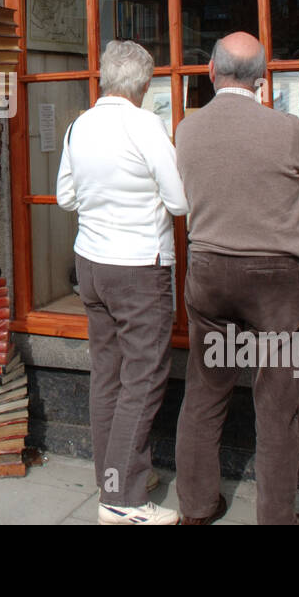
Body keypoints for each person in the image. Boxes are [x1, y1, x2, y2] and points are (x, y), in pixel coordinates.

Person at [173, 31, 299, 525]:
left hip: (210, 273)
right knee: (277, 405)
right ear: (262, 81)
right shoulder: (289, 129)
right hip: (275, 283)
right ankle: (277, 519)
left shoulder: (186, 130)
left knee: (203, 393)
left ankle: (197, 508)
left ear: (211, 73)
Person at [56, 40, 188, 525]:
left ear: (103, 79)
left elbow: (65, 197)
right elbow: (178, 202)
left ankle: (111, 477)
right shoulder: (146, 125)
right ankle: (123, 500)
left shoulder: (78, 125)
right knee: (143, 378)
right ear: (145, 86)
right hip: (138, 268)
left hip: (90, 263)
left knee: (107, 375)